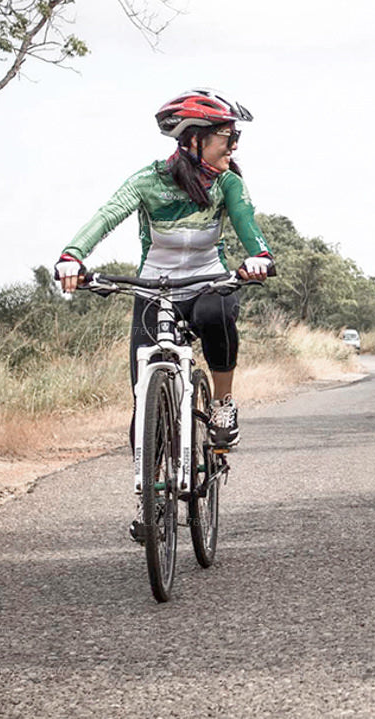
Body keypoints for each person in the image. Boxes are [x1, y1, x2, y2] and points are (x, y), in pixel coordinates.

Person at [54, 88, 272, 540]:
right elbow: (106, 215)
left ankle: (221, 405)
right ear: (192, 141)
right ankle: (150, 495)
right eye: (226, 137)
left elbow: (248, 224)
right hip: (155, 287)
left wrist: (258, 257)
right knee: (143, 397)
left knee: (217, 313)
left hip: (209, 280)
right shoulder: (148, 182)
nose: (233, 146)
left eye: (235, 138)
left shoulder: (228, 183)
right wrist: (73, 256)